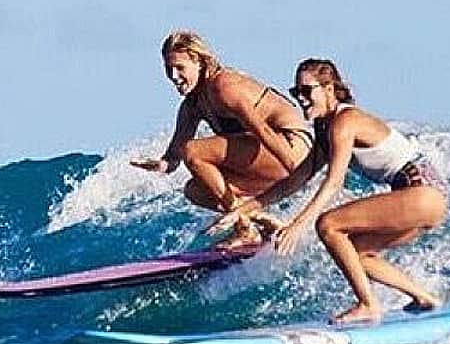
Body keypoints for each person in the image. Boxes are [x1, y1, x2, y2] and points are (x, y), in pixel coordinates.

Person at [224, 59, 446, 324]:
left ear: (329, 88)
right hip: (424, 196)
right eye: (297, 93)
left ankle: (368, 305)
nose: (301, 100)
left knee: (328, 225)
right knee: (356, 253)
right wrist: (244, 208)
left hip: (423, 191)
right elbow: (298, 178)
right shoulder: (325, 127)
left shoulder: (345, 121)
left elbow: (333, 182)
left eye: (307, 91)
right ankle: (424, 298)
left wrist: (297, 226)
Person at [130, 30, 313, 250]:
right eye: (168, 69)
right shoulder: (192, 105)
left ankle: (245, 227)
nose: (174, 75)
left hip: (291, 147)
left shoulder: (223, 87)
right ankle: (261, 221)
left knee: (194, 150)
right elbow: (174, 158)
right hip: (268, 157)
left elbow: (262, 129)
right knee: (195, 190)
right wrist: (159, 165)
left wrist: (297, 170)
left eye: (180, 67)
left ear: (198, 61)